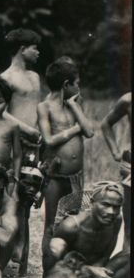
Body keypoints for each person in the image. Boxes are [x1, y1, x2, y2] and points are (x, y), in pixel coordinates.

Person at [38, 58, 94, 249]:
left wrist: (74, 105)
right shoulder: (44, 107)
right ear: (66, 84)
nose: (79, 88)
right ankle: (47, 271)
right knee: (51, 225)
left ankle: (66, 265)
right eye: (76, 84)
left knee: (73, 223)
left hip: (76, 175)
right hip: (55, 175)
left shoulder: (76, 103)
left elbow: (89, 131)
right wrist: (74, 129)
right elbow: (49, 140)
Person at [47, 181, 129, 278]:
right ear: (91, 202)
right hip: (69, 277)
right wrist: (90, 271)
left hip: (93, 274)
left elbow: (105, 255)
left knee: (128, 255)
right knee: (56, 247)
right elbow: (55, 265)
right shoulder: (71, 226)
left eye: (116, 207)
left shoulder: (116, 220)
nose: (111, 211)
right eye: (105, 204)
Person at [0, 28, 43, 159]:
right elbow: (1, 112)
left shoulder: (35, 76)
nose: (38, 52)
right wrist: (28, 130)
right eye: (34, 48)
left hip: (38, 140)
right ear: (23, 49)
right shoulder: (6, 77)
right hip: (16, 140)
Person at [100, 92, 131, 250]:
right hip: (130, 168)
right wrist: (115, 152)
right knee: (130, 229)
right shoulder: (128, 99)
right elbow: (106, 124)